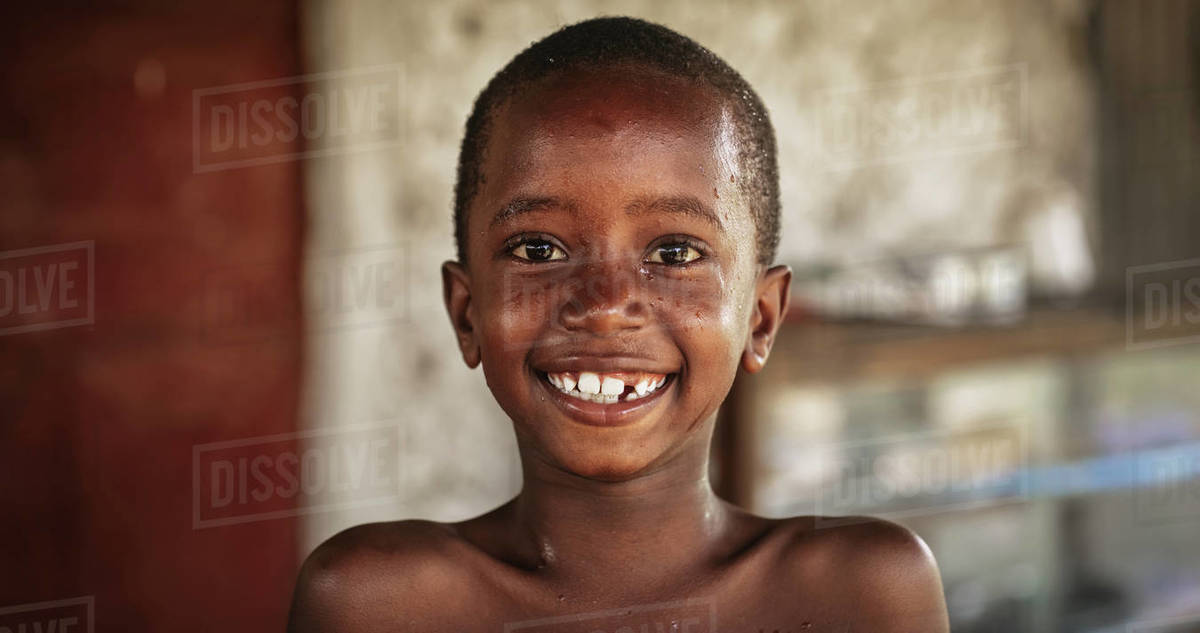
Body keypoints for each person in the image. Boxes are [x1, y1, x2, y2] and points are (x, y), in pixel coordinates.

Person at [287, 16, 949, 632]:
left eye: (675, 252)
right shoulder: (378, 602)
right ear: (466, 312)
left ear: (761, 316)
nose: (604, 303)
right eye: (539, 249)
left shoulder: (861, 592)